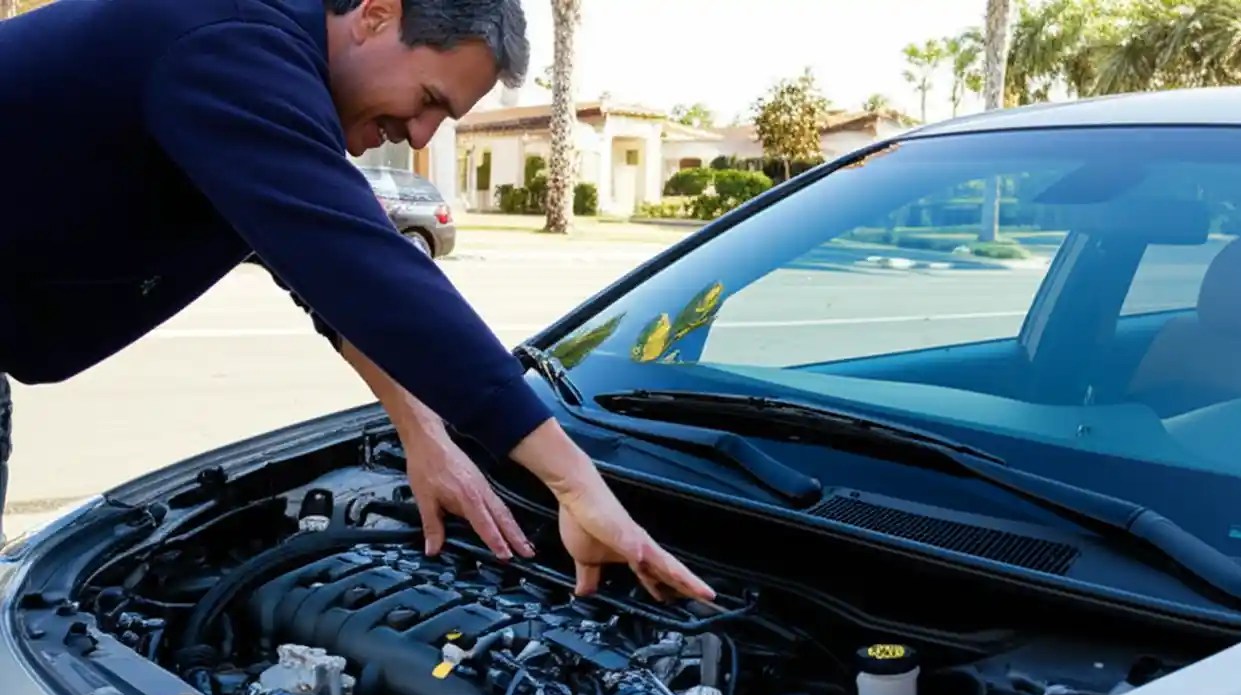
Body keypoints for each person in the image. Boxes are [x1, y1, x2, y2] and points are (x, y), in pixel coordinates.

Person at [0, 0, 714, 604]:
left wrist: (423, 432)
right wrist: (573, 478)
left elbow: (314, 267)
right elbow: (365, 267)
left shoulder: (248, 66)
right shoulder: (226, 42)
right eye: (431, 101)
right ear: (376, 14)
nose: (423, 134)